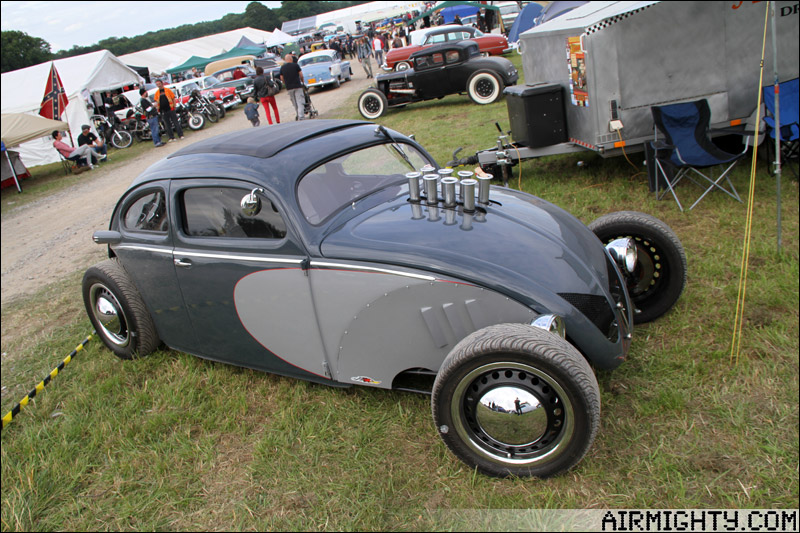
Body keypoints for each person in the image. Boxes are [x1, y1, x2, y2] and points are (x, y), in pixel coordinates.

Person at [279, 54, 306, 121]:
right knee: (299, 101)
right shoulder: (295, 65)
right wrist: (302, 81)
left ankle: (298, 114)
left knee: (294, 102)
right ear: (291, 59)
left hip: (289, 87)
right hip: (297, 86)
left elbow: (281, 78)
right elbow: (301, 75)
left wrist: (285, 83)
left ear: (285, 60)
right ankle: (301, 117)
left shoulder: (282, 68)